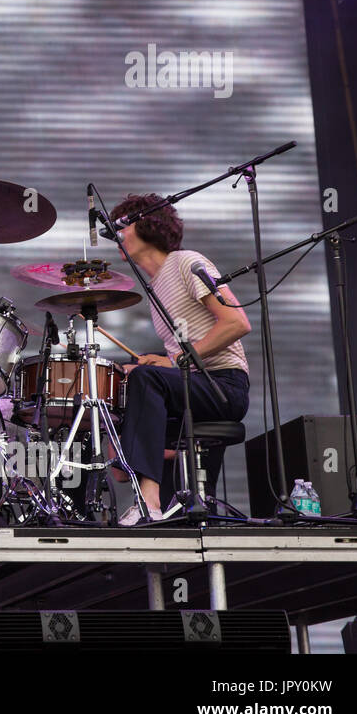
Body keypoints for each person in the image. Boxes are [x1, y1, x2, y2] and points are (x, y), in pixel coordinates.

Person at [108, 194, 251, 524]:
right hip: (196, 383)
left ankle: (149, 501)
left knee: (146, 380)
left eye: (121, 226)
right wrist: (159, 360)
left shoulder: (186, 262)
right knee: (132, 384)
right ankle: (185, 510)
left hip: (224, 385)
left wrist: (172, 364)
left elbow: (236, 322)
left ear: (147, 224)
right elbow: (183, 354)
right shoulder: (156, 286)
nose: (115, 236)